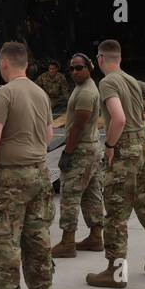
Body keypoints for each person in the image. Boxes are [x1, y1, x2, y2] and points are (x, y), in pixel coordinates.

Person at [86, 39, 145, 289]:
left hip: (125, 150)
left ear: (100, 59)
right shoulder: (130, 79)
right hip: (144, 148)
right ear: (120, 59)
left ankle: (115, 273)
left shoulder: (107, 82)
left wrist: (109, 146)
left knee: (116, 213)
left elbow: (118, 118)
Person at [0, 41, 54, 289]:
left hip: (10, 178)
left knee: (4, 238)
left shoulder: (5, 94)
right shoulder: (40, 93)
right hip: (39, 173)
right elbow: (48, 135)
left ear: (4, 63)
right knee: (37, 236)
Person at [52, 53, 105, 258]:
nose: (74, 72)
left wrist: (67, 152)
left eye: (79, 68)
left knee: (70, 195)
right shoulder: (83, 88)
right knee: (92, 193)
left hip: (81, 149)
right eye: (72, 68)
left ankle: (67, 242)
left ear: (89, 68)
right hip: (91, 148)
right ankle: (96, 236)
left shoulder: (85, 93)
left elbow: (78, 126)